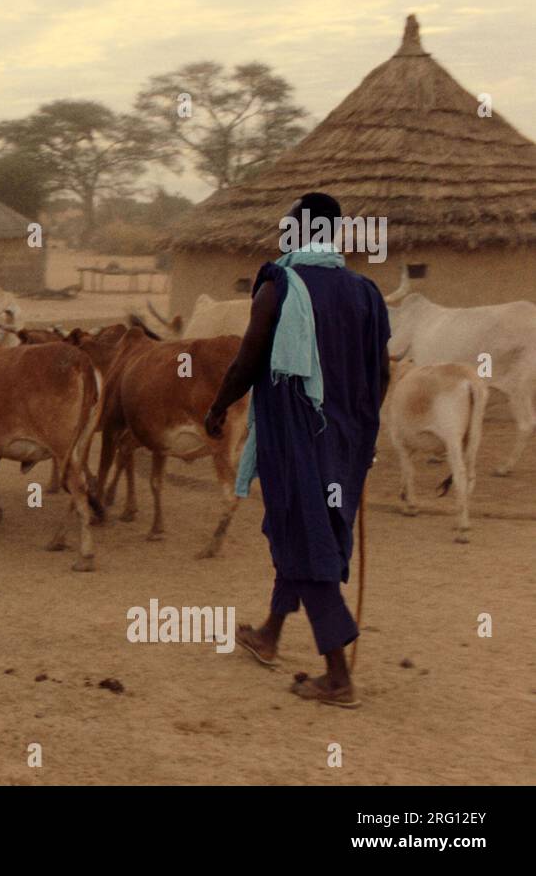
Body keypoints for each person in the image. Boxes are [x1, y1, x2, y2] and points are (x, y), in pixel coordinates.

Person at [204, 192, 390, 709]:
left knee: (309, 543)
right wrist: (361, 434)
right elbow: (381, 375)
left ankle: (338, 678)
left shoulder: (280, 286)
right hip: (346, 441)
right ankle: (269, 634)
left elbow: (246, 360)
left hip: (295, 437)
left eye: (287, 224)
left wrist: (218, 407)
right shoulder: (367, 293)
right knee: (304, 530)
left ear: (299, 231)